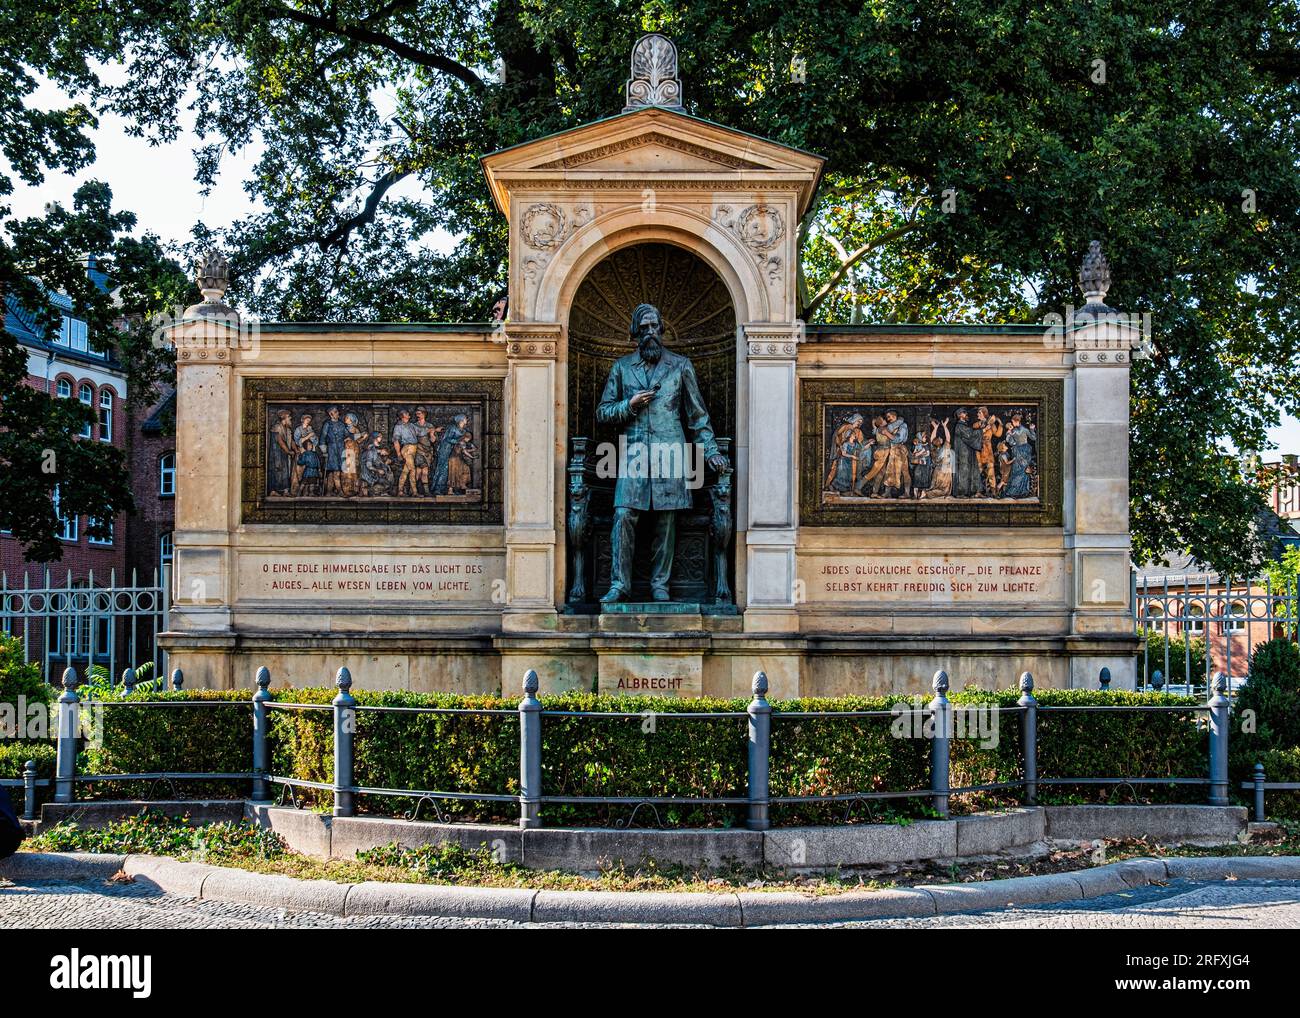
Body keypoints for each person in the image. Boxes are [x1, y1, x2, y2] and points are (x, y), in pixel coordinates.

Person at [596, 302, 727, 603]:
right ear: (635, 333)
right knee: (624, 514)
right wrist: (629, 405)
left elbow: (698, 416)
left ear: (662, 328)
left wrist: (710, 451)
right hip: (634, 453)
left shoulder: (680, 366)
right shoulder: (621, 368)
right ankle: (620, 584)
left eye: (655, 327)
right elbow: (603, 412)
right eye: (644, 328)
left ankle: (660, 585)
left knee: (666, 519)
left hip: (671, 451)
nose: (651, 333)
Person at [430, 413, 469, 497]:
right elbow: (447, 439)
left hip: (454, 451)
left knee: (453, 469)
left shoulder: (463, 430)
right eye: (465, 418)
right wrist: (458, 441)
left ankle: (453, 488)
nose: (467, 420)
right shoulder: (452, 428)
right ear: (461, 420)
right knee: (443, 469)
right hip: (445, 449)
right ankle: (437, 489)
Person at [825, 413, 865, 493]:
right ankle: (826, 485)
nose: (859, 424)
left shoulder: (856, 431)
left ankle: (845, 488)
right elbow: (836, 435)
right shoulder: (846, 426)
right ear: (854, 420)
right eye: (858, 422)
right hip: (840, 450)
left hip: (848, 452)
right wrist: (840, 446)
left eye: (861, 422)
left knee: (845, 471)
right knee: (834, 468)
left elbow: (859, 443)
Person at [1002, 410, 1037, 498]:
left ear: (1017, 421)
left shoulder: (1025, 430)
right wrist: (1009, 435)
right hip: (1017, 452)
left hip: (1025, 452)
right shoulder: (1012, 430)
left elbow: (1033, 438)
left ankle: (1023, 491)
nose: (1012, 423)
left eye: (1013, 421)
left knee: (1023, 471)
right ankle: (1015, 492)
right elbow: (1010, 442)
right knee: (1016, 471)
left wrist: (1032, 430)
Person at [318, 405, 350, 496]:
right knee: (335, 471)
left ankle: (329, 491)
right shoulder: (327, 424)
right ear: (331, 414)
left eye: (337, 411)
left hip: (340, 449)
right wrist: (324, 451)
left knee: (334, 472)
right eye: (335, 412)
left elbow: (347, 435)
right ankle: (340, 491)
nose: (337, 413)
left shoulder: (341, 424)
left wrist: (354, 437)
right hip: (331, 449)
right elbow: (322, 438)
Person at [952, 407, 983, 497]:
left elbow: (970, 435)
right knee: (963, 472)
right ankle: (962, 492)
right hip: (963, 454)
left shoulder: (964, 425)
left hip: (968, 452)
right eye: (964, 413)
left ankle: (973, 491)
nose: (966, 414)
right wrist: (982, 430)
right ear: (960, 415)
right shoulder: (959, 426)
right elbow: (970, 435)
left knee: (971, 470)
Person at [392, 410, 421, 497]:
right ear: (402, 416)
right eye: (407, 414)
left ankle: (400, 491)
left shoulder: (411, 425)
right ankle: (414, 492)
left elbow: (421, 431)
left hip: (414, 449)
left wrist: (432, 429)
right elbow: (396, 441)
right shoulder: (398, 427)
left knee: (405, 471)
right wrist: (398, 454)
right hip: (407, 449)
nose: (409, 415)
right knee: (412, 470)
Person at [926, 418, 954, 498]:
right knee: (944, 490)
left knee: (935, 487)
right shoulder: (944, 448)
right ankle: (926, 493)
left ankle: (926, 493)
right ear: (939, 442)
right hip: (944, 471)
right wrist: (945, 426)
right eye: (939, 439)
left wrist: (935, 428)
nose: (940, 438)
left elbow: (932, 440)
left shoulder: (933, 449)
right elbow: (948, 438)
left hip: (937, 471)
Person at [269, 410, 295, 495]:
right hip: (276, 454)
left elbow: (291, 441)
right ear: (284, 417)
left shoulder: (288, 429)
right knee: (277, 471)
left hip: (283, 454)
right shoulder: (277, 427)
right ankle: (273, 491)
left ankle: (285, 490)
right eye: (289, 417)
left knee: (285, 471)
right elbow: (280, 441)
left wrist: (296, 449)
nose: (290, 418)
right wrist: (288, 451)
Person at [290, 413, 316, 495]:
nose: (308, 421)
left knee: (308, 473)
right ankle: (296, 491)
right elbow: (298, 441)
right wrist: (308, 436)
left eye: (309, 420)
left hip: (309, 453)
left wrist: (312, 437)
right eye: (307, 419)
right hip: (301, 452)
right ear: (303, 420)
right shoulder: (298, 429)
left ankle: (306, 492)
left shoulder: (310, 429)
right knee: (299, 473)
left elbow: (315, 440)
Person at [909, 430, 934, 497]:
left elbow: (927, 453)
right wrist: (921, 453)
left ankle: (922, 494)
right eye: (924, 437)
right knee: (916, 478)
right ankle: (915, 494)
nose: (925, 438)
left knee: (924, 479)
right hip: (919, 465)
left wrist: (921, 453)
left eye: (925, 437)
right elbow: (915, 454)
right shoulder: (916, 445)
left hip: (925, 465)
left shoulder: (926, 445)